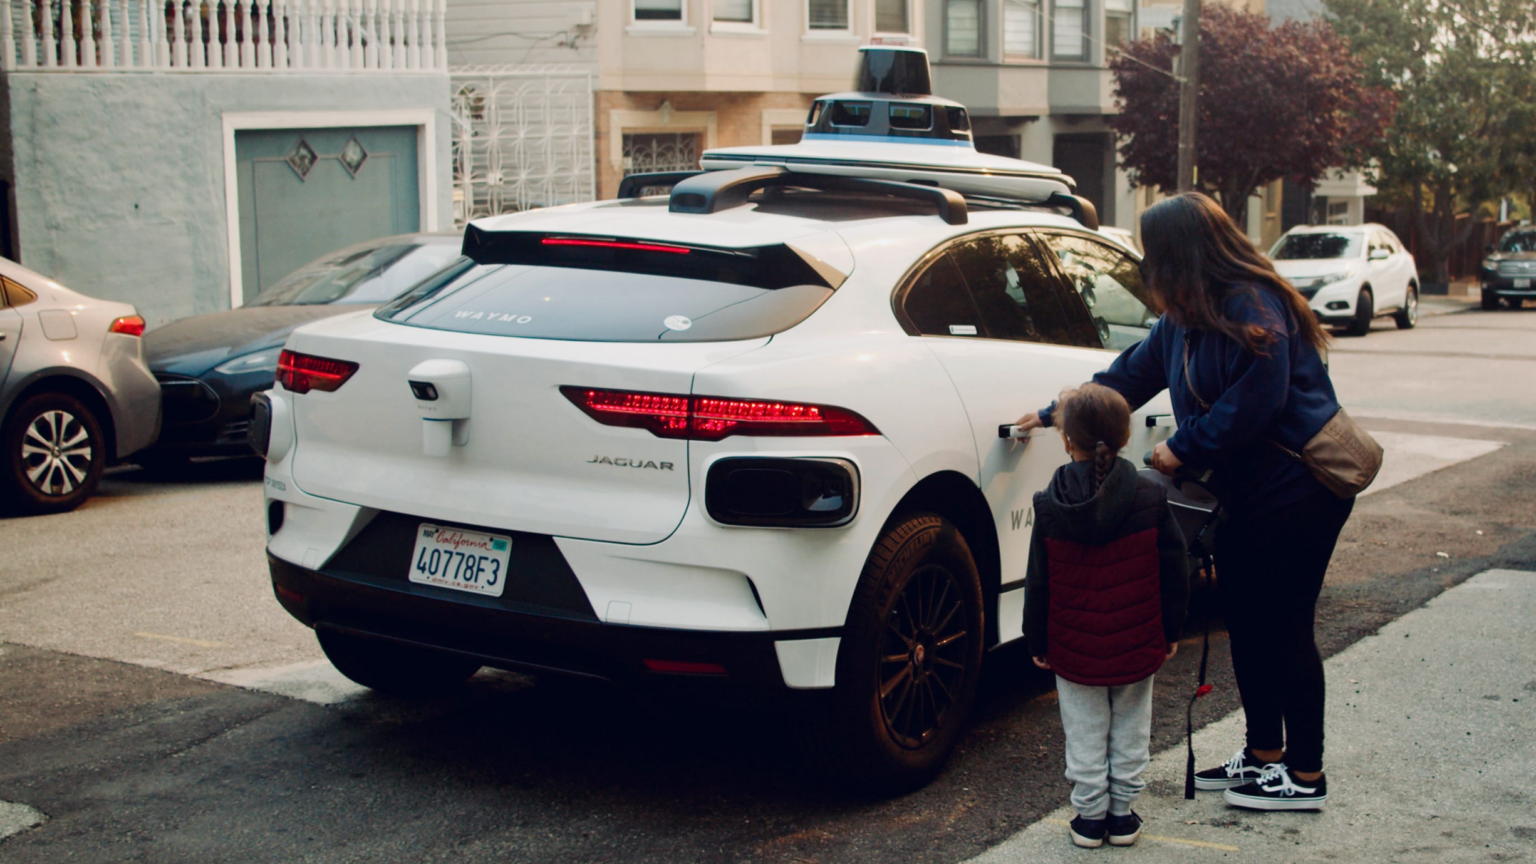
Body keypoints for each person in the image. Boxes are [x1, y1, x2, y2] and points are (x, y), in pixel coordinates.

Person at [1015, 192, 1353, 811]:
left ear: (1179, 256)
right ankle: (1263, 756)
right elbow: (1125, 379)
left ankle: (1305, 775)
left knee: (1284, 626)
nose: (1147, 269)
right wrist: (1051, 412)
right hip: (1250, 493)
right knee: (1248, 622)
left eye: (1152, 256)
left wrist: (1183, 448)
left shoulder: (1252, 305)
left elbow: (1260, 399)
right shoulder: (1184, 322)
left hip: (1300, 489)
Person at [1023, 383, 1189, 848]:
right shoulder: (1149, 497)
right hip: (1136, 638)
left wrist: (1037, 640)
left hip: (1072, 644)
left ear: (1065, 440)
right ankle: (1123, 816)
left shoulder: (1050, 504)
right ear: (1124, 435)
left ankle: (1090, 818)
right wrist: (1169, 630)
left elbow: (1039, 579)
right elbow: (1174, 569)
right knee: (1131, 727)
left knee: (1085, 731)